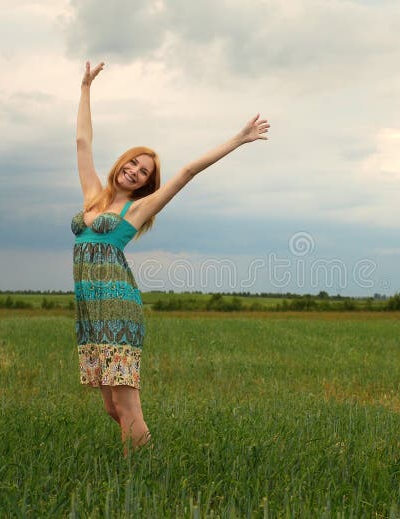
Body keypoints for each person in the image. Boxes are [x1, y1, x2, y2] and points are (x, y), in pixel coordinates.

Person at [71, 60, 270, 455]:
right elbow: (82, 142)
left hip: (117, 308)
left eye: (142, 172)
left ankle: (139, 475)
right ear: (121, 164)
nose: (134, 171)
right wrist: (86, 88)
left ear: (147, 184)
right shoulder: (93, 196)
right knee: (111, 405)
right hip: (90, 309)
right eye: (132, 163)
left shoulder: (136, 211)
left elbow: (187, 171)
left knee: (126, 404)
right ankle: (143, 454)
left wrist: (239, 139)